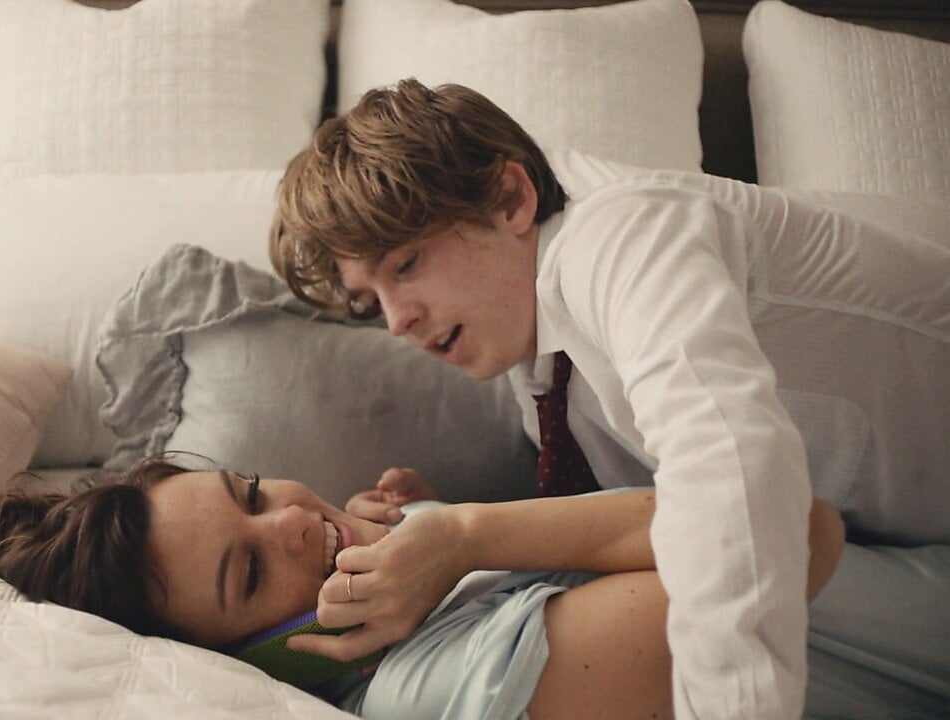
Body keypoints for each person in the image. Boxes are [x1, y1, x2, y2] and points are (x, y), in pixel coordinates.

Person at [268, 79, 950, 719]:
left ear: (510, 199)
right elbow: (632, 531)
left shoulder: (623, 238)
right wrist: (430, 527)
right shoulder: (541, 374)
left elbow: (728, 472)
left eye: (407, 264)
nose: (396, 321)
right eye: (372, 299)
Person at [0, 456, 845, 719]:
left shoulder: (420, 585)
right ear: (254, 660)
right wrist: (465, 535)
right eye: (251, 571)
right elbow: (789, 534)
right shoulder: (437, 688)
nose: (292, 520)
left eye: (252, 493)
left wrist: (442, 534)